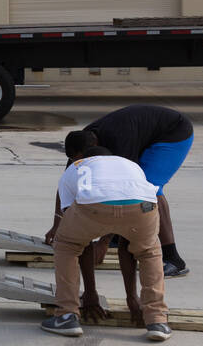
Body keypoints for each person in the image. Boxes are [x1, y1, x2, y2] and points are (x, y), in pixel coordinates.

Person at [42, 132, 171, 341]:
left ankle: (67, 315)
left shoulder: (75, 168)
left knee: (67, 245)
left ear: (82, 157)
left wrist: (90, 293)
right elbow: (121, 217)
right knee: (149, 252)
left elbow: (81, 242)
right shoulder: (129, 164)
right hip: (143, 206)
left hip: (94, 206)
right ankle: (157, 320)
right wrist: (131, 297)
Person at [82, 104, 193, 277]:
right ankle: (117, 237)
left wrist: (103, 241)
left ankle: (173, 259)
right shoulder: (83, 141)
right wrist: (60, 226)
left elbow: (124, 189)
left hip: (174, 133)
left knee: (148, 188)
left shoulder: (120, 142)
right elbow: (69, 184)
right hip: (148, 133)